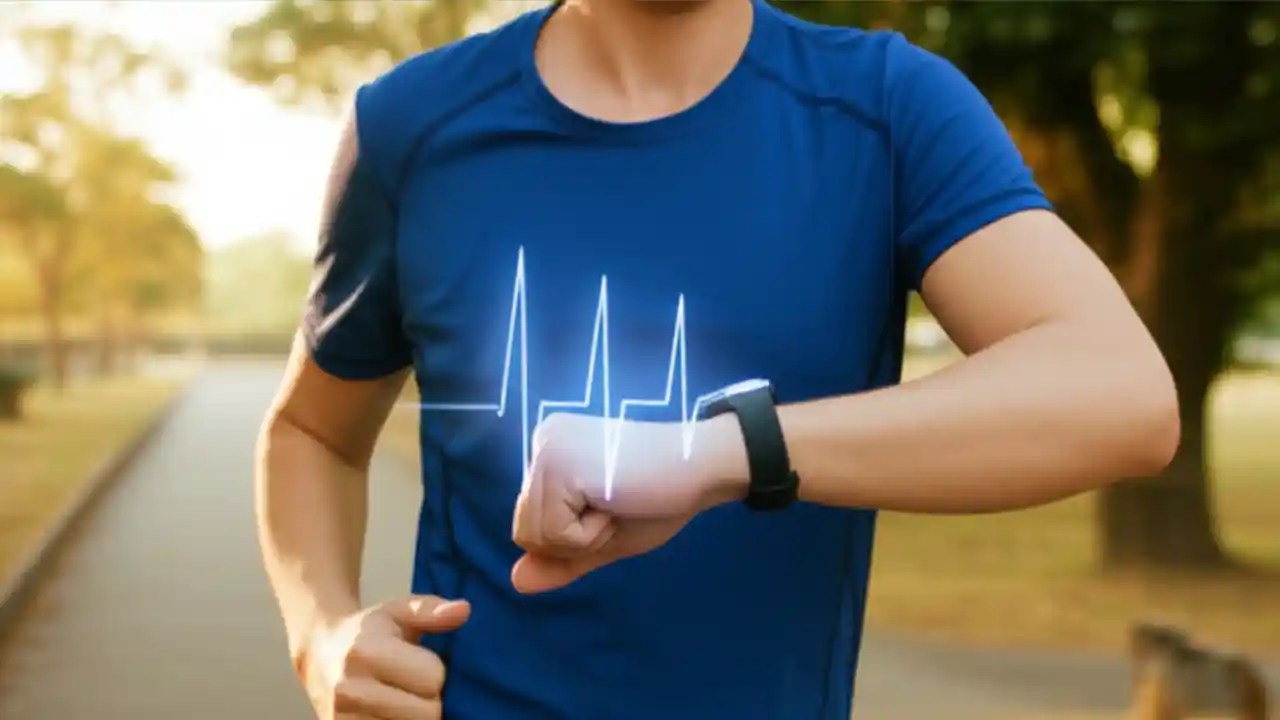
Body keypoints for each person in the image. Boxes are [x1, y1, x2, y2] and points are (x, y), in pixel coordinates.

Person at [255, 0, 1180, 718]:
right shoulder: (410, 129)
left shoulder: (887, 110)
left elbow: (1122, 395)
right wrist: (319, 632)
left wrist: (719, 455)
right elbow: (312, 433)